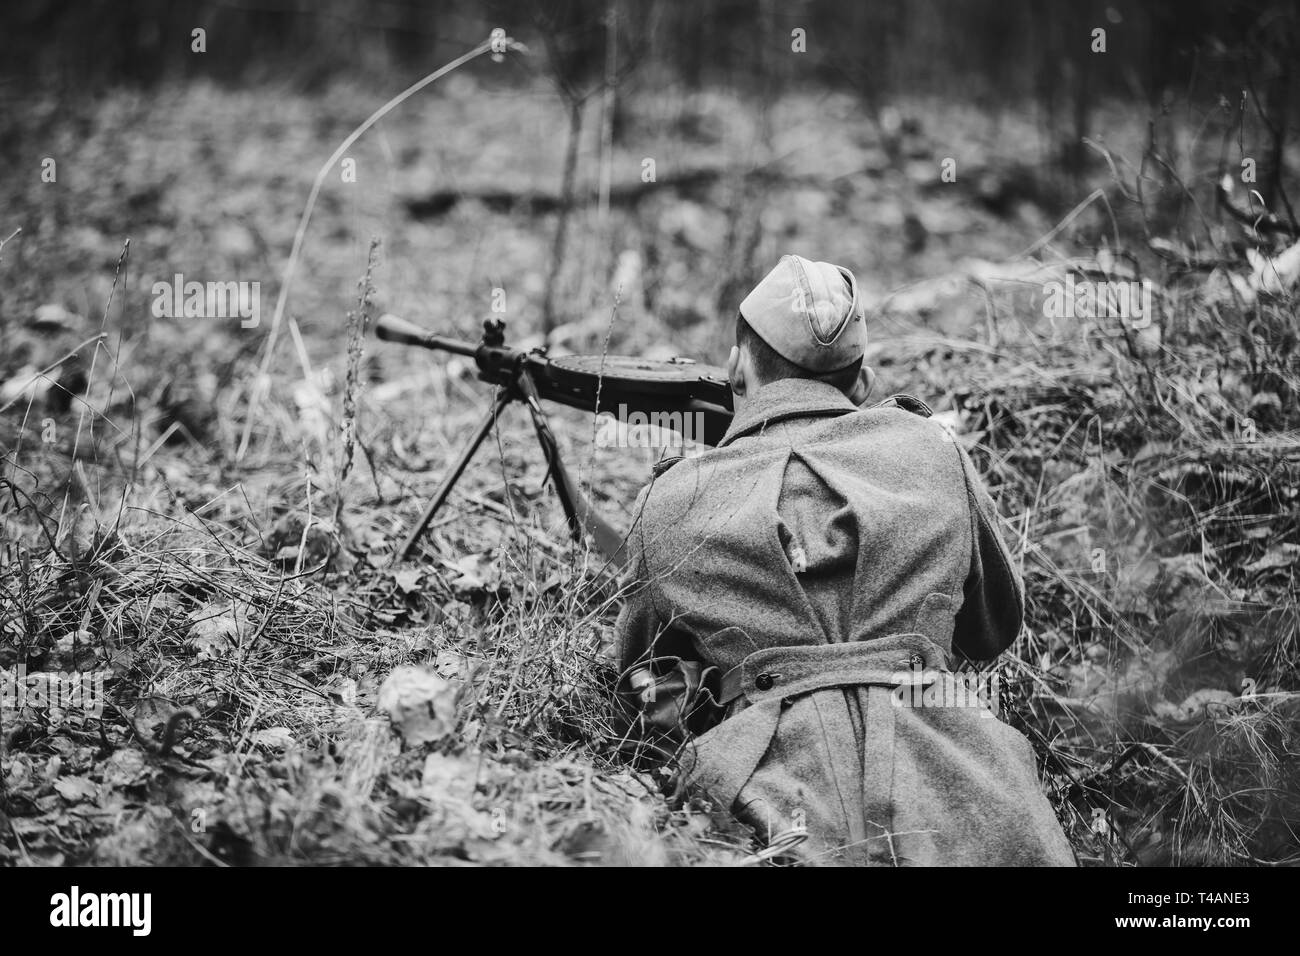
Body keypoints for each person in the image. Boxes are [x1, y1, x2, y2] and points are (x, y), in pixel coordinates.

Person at [563, 254, 1075, 866]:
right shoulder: (933, 451)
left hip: (768, 816)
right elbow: (993, 629)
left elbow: (644, 686)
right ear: (862, 382)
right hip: (975, 804)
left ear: (734, 364)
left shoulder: (672, 500)